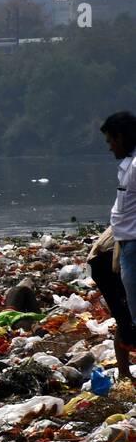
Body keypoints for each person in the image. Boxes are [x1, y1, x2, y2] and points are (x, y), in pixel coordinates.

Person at [88, 227, 135, 381]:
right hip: (107, 260)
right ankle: (124, 374)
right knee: (125, 316)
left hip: (111, 257)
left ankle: (124, 374)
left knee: (125, 316)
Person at [104, 111, 136, 321]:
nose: (110, 147)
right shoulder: (128, 166)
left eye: (111, 141)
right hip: (126, 244)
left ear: (121, 137)